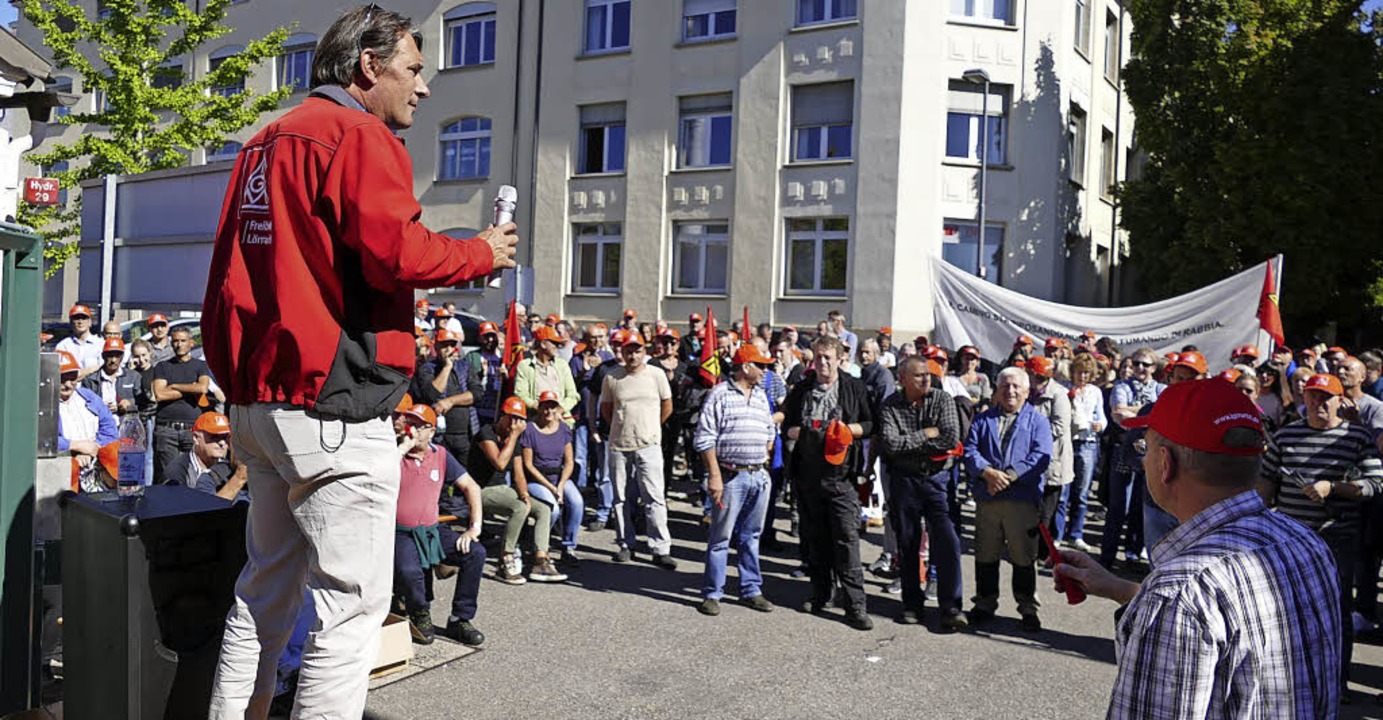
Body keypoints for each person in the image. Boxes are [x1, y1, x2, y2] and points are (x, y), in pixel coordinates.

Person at [202, 6, 518, 716]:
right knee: (349, 612)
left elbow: (227, 273)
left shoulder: (264, 140)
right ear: (368, 66)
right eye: (413, 70)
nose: (424, 88)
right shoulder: (356, 134)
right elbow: (396, 252)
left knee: (262, 596)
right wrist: (479, 252)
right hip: (331, 407)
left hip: (261, 400)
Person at [1056, 378, 1342, 718]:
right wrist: (1121, 589)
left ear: (1165, 463)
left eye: (1146, 449)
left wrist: (1156, 598)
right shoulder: (1306, 542)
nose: (1144, 461)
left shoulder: (1180, 591)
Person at [1262, 372, 1383, 700]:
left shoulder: (1357, 437)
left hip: (1336, 539)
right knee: (1286, 609)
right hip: (1289, 538)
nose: (1318, 402)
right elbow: (1266, 480)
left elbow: (1375, 483)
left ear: (1340, 401)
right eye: (1313, 396)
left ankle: (1336, 683)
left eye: (1326, 397)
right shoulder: (1286, 435)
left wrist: (1334, 487)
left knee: (1335, 611)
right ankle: (1288, 681)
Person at [783, 335, 874, 630]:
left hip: (841, 478)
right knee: (816, 540)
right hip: (809, 476)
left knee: (846, 541)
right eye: (818, 357)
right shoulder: (802, 389)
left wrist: (848, 430)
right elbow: (788, 425)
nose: (822, 363)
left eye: (827, 358)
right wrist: (801, 432)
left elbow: (871, 424)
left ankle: (855, 606)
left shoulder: (854, 388)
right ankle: (821, 595)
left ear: (839, 359)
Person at [877, 356, 966, 630]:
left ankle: (951, 606)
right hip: (905, 481)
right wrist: (926, 433)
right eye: (918, 375)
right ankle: (912, 604)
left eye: (927, 374)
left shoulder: (942, 399)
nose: (926, 378)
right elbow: (891, 445)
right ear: (902, 379)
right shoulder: (890, 405)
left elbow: (950, 437)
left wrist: (912, 443)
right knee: (907, 543)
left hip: (937, 480)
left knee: (947, 542)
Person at [694, 344, 779, 616]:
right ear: (745, 367)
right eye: (761, 365)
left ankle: (751, 589)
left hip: (758, 475)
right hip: (731, 477)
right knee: (721, 537)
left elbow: (770, 429)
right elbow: (705, 438)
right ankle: (712, 593)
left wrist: (764, 451)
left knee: (751, 536)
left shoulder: (761, 396)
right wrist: (714, 475)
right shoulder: (719, 394)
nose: (765, 371)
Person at [964, 367, 1052, 632]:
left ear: (1026, 391)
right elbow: (969, 450)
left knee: (1023, 556)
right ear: (996, 390)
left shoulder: (1038, 421)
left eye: (1016, 386)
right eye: (1005, 386)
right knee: (986, 553)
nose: (1010, 391)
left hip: (1021, 499)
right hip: (988, 498)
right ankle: (985, 602)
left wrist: (1009, 477)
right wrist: (987, 473)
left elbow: (1041, 457)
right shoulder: (983, 419)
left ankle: (1027, 607)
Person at [392, 403, 487, 647]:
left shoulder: (441, 455)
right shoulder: (395, 453)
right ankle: (419, 613)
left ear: (431, 431)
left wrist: (474, 527)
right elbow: (378, 474)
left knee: (475, 553)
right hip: (401, 532)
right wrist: (402, 449)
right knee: (408, 570)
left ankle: (460, 619)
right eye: (409, 423)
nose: (412, 429)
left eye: (419, 425)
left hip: (432, 531)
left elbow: (472, 487)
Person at [600, 332, 678, 568]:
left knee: (654, 497)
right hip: (619, 446)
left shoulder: (656, 374)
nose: (633, 355)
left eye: (637, 351)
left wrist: (651, 427)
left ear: (644, 352)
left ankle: (660, 548)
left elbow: (667, 405)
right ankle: (626, 543)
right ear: (622, 353)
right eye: (628, 351)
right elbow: (607, 409)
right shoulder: (612, 377)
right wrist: (622, 426)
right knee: (621, 498)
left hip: (649, 445)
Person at [472, 396, 563, 583]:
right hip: (479, 490)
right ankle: (505, 559)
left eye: (519, 419)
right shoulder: (486, 433)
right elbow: (499, 463)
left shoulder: (514, 440)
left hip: (503, 489)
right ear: (502, 416)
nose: (514, 424)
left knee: (543, 509)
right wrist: (513, 437)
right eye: (511, 418)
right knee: (519, 508)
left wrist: (524, 494)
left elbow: (518, 473)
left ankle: (540, 560)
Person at [1101, 347, 1165, 566]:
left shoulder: (1161, 389)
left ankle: (1133, 553)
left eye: (1145, 364)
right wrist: (1150, 412)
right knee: (1118, 506)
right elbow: (1119, 414)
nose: (1139, 368)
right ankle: (1107, 555)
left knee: (1142, 505)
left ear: (1154, 368)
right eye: (1136, 363)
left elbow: (1162, 416)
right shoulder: (1121, 386)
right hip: (1124, 449)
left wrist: (1135, 412)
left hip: (1150, 452)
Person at [520, 390, 583, 569]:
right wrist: (551, 488)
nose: (549, 411)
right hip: (537, 479)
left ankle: (568, 547)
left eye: (552, 407)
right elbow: (528, 465)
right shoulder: (530, 429)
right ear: (539, 408)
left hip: (559, 476)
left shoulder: (563, 429)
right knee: (552, 509)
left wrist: (561, 485)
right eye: (545, 407)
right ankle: (540, 546)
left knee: (577, 502)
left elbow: (569, 462)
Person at [149, 327, 213, 483]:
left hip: (192, 429)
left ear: (191, 343)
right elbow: (160, 394)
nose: (179, 345)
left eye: (183, 341)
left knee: (194, 476)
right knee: (168, 478)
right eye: (176, 341)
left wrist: (175, 386)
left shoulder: (200, 366)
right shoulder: (162, 366)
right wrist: (191, 388)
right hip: (166, 429)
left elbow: (202, 388)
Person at [1025, 357, 1073, 551]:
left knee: (1046, 511)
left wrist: (1031, 436)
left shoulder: (1059, 394)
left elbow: (1060, 426)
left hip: (1053, 460)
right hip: (1030, 459)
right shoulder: (1026, 392)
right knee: (1030, 509)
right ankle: (1031, 548)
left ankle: (1043, 551)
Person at [56, 351, 119, 493]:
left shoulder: (88, 396)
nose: (68, 384)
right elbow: (42, 439)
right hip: (65, 463)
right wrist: (76, 446)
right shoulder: (44, 405)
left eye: (72, 378)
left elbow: (109, 429)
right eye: (62, 379)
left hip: (95, 458)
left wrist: (91, 450)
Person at [414, 327, 478, 467]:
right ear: (436, 346)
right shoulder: (427, 368)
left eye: (452, 345)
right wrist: (447, 367)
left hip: (465, 434)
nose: (449, 349)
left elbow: (477, 393)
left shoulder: (465, 366)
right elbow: (431, 394)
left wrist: (450, 401)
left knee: (465, 473)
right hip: (440, 435)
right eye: (444, 345)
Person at [1064, 353, 1106, 551]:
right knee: (1062, 492)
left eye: (1086, 373)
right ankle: (1057, 533)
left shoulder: (1095, 392)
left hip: (1088, 443)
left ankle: (1076, 534)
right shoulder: (1065, 389)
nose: (1082, 376)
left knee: (1081, 493)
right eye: (1079, 372)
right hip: (1068, 442)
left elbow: (1102, 416)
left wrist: (1100, 425)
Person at [162, 411, 248, 502]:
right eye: (214, 437)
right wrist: (239, 478)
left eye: (225, 437)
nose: (222, 443)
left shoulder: (230, 466)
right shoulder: (178, 471)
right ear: (196, 438)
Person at [515, 326, 579, 422]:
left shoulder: (562, 365)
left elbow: (573, 395)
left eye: (558, 344)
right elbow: (520, 394)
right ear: (543, 344)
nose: (557, 347)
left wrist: (559, 410)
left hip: (561, 420)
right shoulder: (525, 366)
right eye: (554, 343)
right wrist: (540, 409)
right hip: (536, 421)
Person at [82, 336, 139, 418]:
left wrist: (129, 405)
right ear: (103, 356)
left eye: (117, 356)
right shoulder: (90, 380)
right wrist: (99, 406)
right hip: (99, 422)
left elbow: (142, 404)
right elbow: (83, 406)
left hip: (125, 423)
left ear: (122, 357)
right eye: (110, 356)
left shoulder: (133, 377)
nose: (113, 360)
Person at [463, 321, 505, 427]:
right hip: (479, 408)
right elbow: (464, 381)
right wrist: (480, 374)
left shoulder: (504, 357)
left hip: (498, 407)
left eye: (493, 336)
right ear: (479, 339)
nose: (490, 340)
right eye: (486, 337)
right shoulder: (472, 357)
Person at [55, 304, 102, 379]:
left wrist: (79, 373)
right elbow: (59, 372)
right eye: (76, 318)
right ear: (71, 322)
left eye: (84, 318)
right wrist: (90, 370)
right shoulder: (63, 346)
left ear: (90, 322)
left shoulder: (100, 344)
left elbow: (103, 369)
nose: (80, 322)